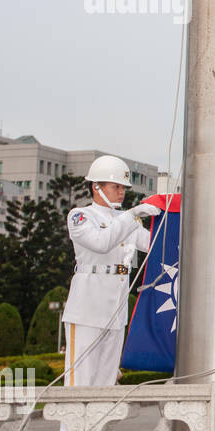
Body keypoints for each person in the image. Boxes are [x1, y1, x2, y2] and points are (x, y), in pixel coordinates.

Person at [62, 155, 158, 387]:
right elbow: (101, 242)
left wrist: (171, 217)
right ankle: (74, 425)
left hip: (115, 310)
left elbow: (154, 244)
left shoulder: (125, 220)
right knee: (80, 379)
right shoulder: (80, 215)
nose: (122, 192)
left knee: (106, 380)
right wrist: (133, 215)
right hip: (87, 308)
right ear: (96, 187)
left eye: (123, 187)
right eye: (116, 186)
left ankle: (101, 424)